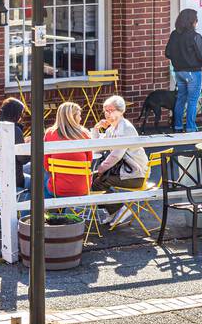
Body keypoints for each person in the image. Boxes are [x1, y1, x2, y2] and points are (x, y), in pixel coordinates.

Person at [92, 95, 150, 226]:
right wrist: (96, 129)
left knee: (98, 181)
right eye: (105, 110)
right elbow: (96, 148)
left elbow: (116, 156)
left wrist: (101, 168)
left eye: (111, 110)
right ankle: (114, 211)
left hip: (135, 175)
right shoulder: (112, 128)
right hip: (121, 172)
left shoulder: (125, 128)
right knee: (92, 180)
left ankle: (120, 209)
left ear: (121, 111)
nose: (107, 113)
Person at [165, 8, 202, 133]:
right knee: (192, 101)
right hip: (193, 72)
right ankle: (190, 128)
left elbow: (167, 53)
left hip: (178, 72)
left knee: (180, 99)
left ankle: (177, 126)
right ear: (192, 21)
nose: (197, 22)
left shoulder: (174, 34)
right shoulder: (196, 36)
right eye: (196, 19)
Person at [44, 101, 93, 200]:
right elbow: (89, 161)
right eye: (79, 115)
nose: (81, 118)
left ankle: (46, 212)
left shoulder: (49, 133)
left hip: (57, 190)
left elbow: (46, 165)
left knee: (41, 178)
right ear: (73, 117)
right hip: (82, 189)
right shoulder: (84, 134)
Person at [0, 98, 27, 192]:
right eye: (21, 113)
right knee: (39, 182)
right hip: (8, 184)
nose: (22, 116)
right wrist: (27, 147)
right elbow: (23, 159)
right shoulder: (15, 130)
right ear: (16, 114)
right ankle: (26, 207)